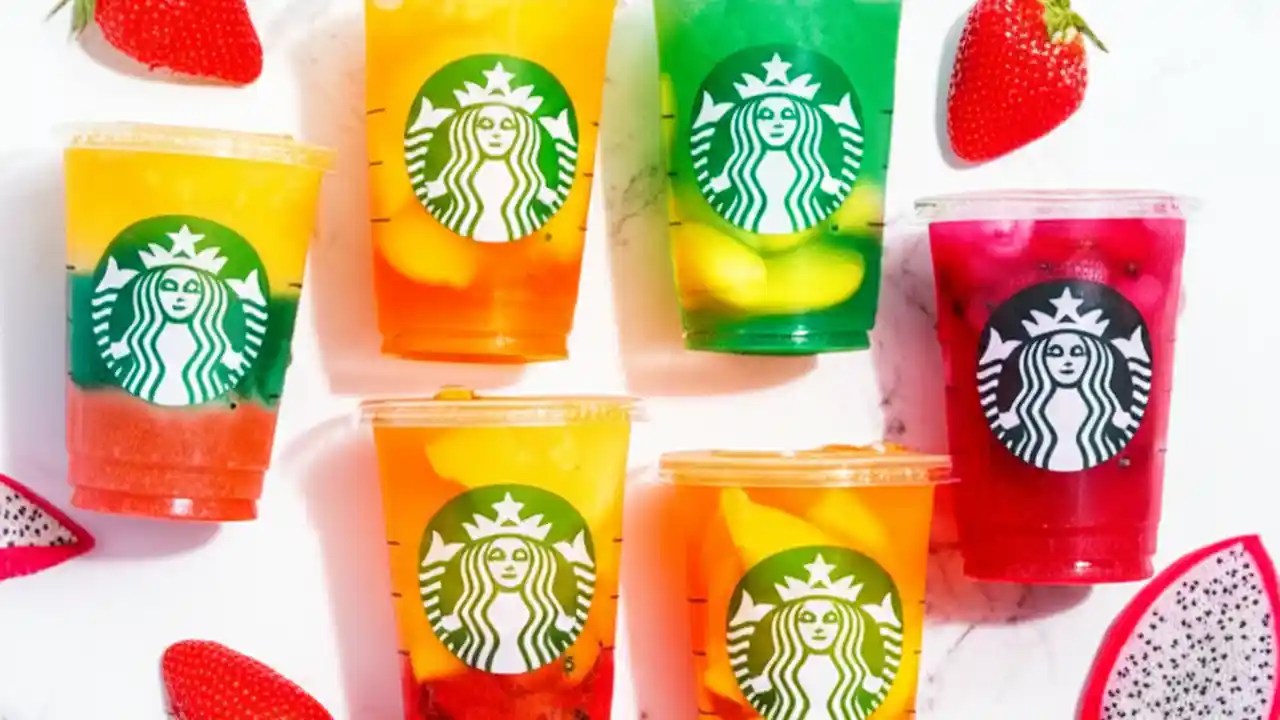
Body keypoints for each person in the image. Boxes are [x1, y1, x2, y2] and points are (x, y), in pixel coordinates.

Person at [106, 265, 245, 406]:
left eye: (191, 289)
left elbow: (235, 365)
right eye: (169, 287)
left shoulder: (216, 342)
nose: (180, 297)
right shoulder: (137, 336)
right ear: (153, 292)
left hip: (211, 415)